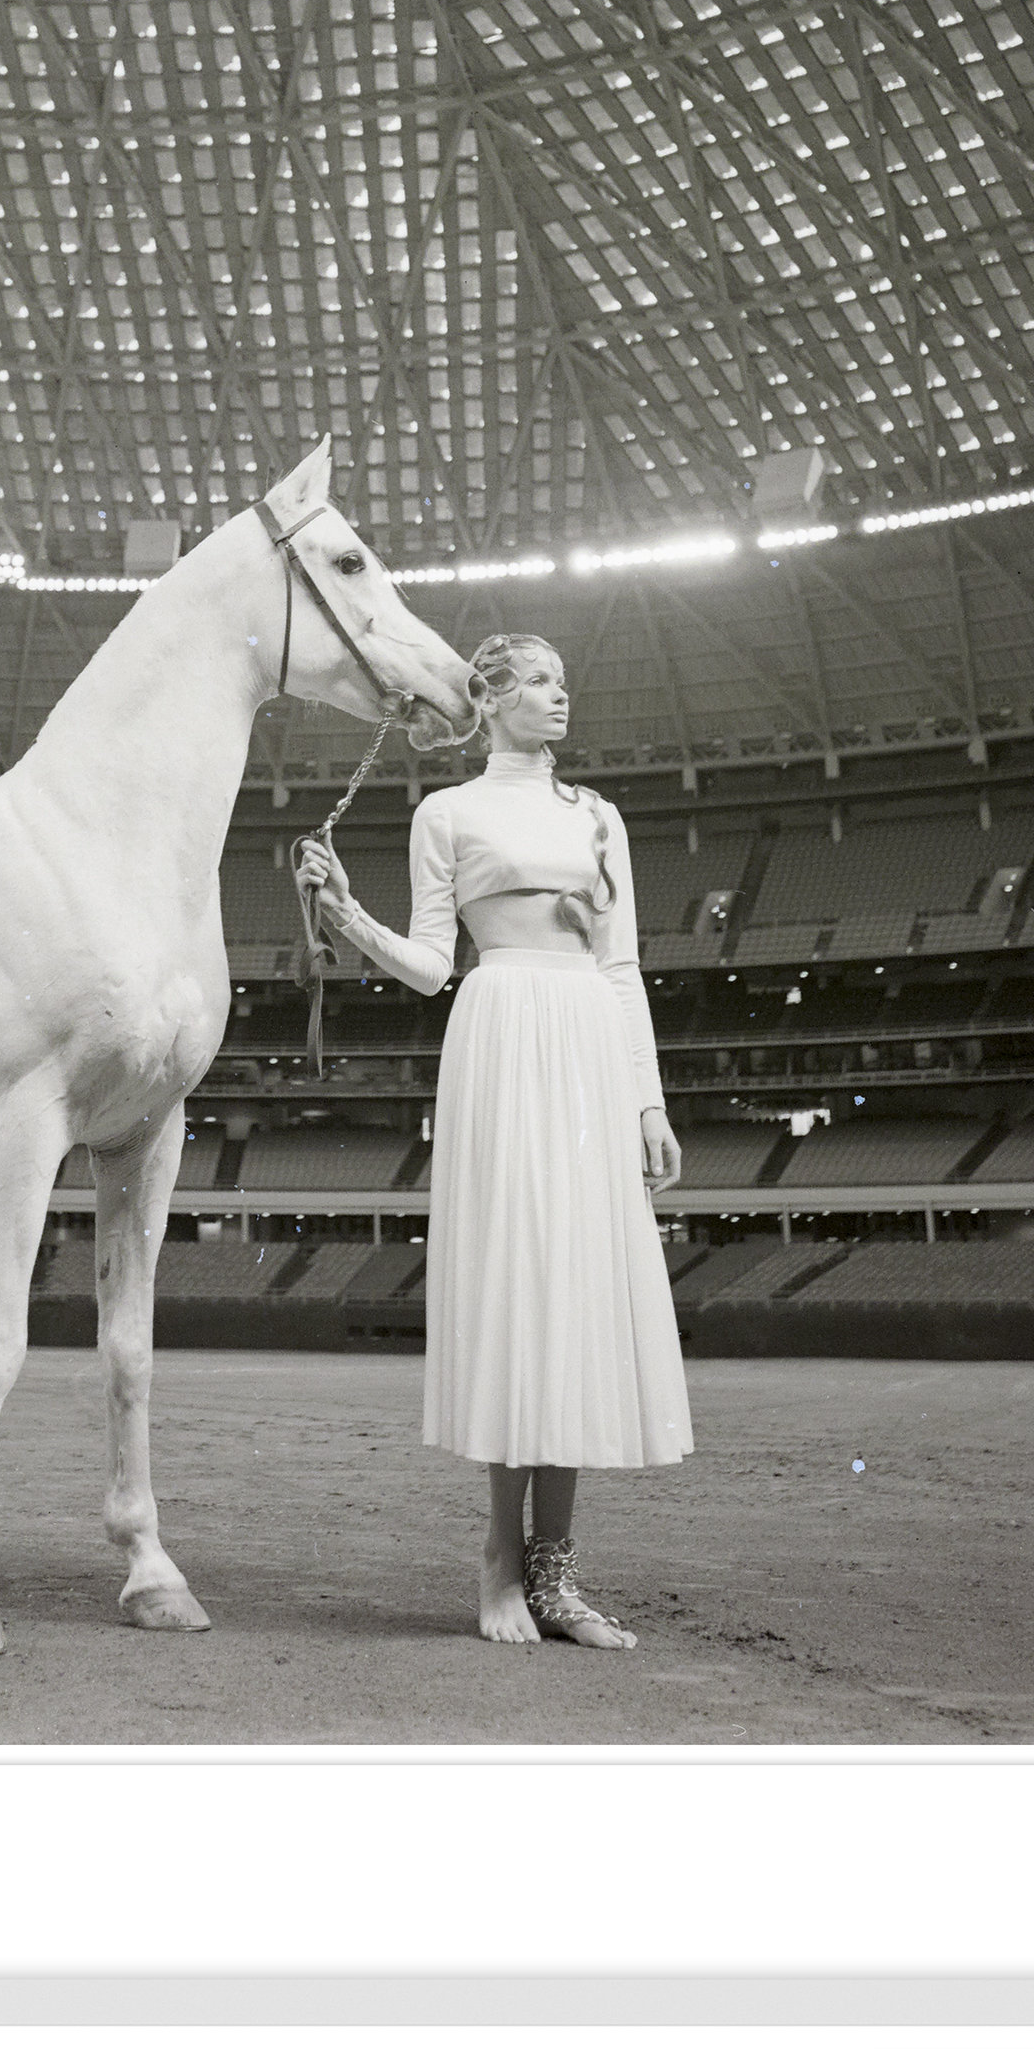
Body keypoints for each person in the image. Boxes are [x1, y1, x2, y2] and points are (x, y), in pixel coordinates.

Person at [295, 633, 690, 1645]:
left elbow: (621, 963)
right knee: (521, 1291)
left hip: (590, 1045)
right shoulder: (448, 812)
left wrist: (648, 1101)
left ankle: (556, 1577)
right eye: (544, 681)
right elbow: (434, 966)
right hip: (500, 1031)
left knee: (578, 1302)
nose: (563, 696)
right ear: (493, 696)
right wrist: (347, 919)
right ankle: (500, 1563)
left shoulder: (600, 818)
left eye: (567, 679)